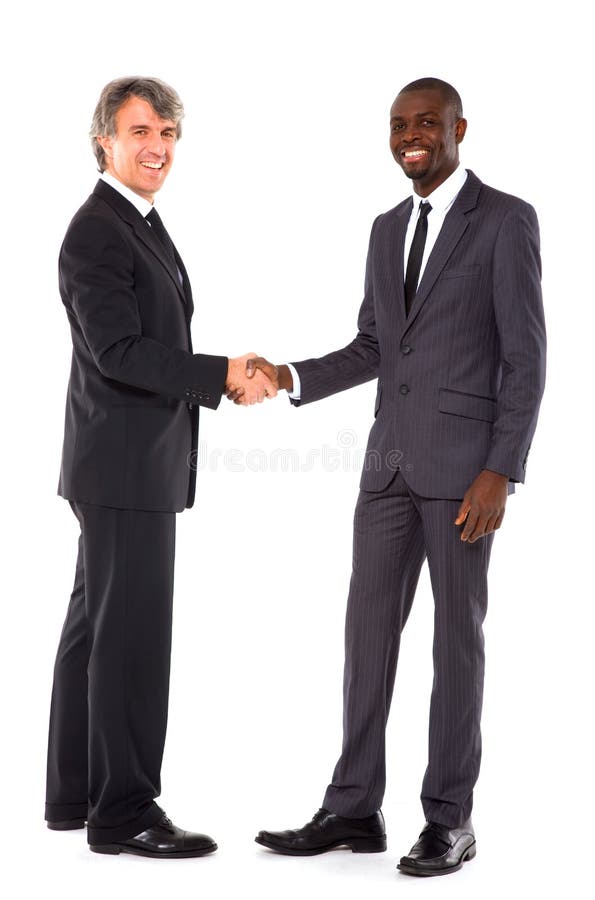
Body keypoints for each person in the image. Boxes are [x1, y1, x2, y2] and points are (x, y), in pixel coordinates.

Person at [234, 77, 546, 876]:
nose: (412, 136)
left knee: (455, 643)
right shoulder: (384, 229)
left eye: (428, 123)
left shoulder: (506, 220)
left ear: (459, 129)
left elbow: (526, 357)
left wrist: (499, 471)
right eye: (400, 124)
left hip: (461, 473)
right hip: (387, 467)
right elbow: (376, 345)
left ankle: (450, 819)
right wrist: (290, 374)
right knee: (366, 636)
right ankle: (353, 808)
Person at [45, 76, 275, 858]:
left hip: (118, 465)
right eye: (142, 131)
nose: (159, 147)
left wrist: (214, 376)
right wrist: (220, 374)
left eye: (170, 133)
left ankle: (75, 798)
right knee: (132, 639)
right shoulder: (98, 230)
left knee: (95, 630)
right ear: (104, 139)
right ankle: (125, 812)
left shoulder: (134, 221)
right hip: (123, 469)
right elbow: (119, 351)